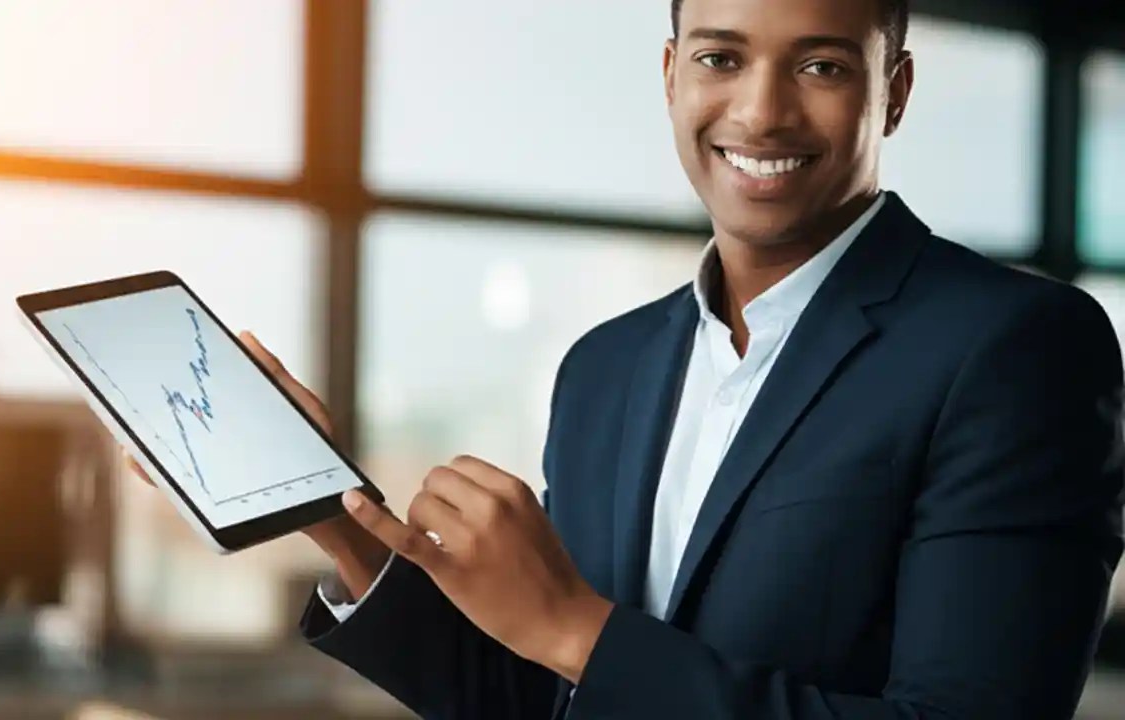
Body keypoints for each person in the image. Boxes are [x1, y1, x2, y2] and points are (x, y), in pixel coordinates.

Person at [132, 0, 1125, 716]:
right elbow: (545, 702)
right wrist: (333, 518)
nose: (760, 113)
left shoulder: (1011, 345)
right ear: (669, 74)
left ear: (892, 91)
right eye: (720, 59)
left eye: (819, 66)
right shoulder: (604, 368)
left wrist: (576, 626)